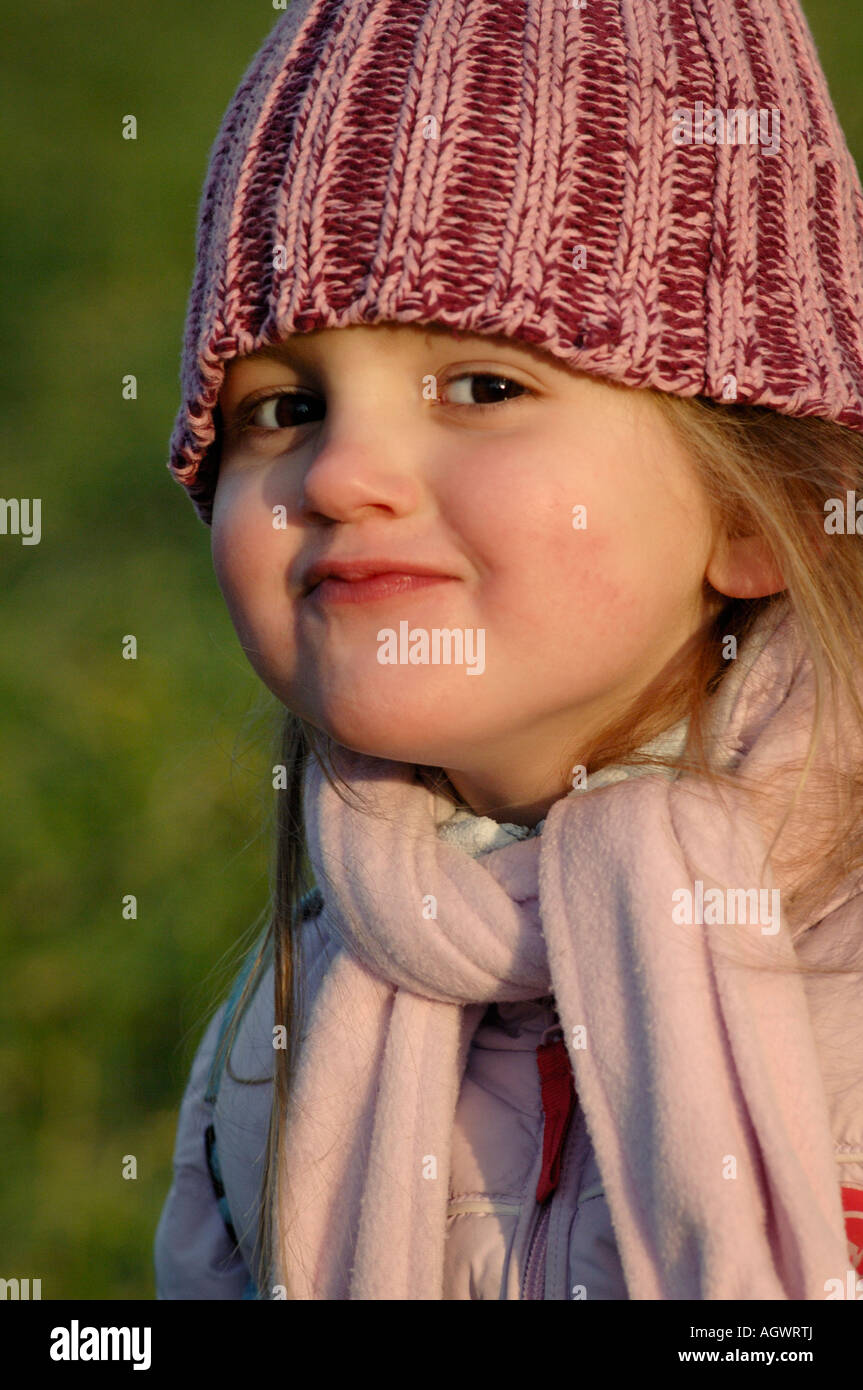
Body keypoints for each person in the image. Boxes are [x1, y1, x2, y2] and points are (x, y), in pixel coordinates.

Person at [154, 0, 863, 1300]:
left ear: (760, 517)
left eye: (484, 385)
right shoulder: (276, 1045)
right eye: (285, 406)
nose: (346, 470)